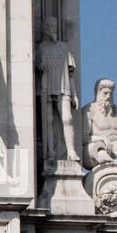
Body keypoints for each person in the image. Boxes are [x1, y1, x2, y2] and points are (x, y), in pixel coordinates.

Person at [35, 16, 78, 162]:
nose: (52, 28)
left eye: (54, 25)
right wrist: (40, 66)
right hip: (47, 86)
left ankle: (71, 151)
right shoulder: (41, 48)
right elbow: (38, 65)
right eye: (49, 26)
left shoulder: (64, 48)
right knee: (48, 119)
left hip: (63, 86)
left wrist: (74, 94)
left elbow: (71, 74)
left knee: (67, 118)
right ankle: (50, 153)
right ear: (45, 29)